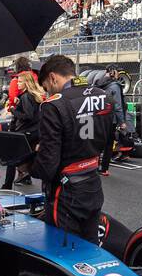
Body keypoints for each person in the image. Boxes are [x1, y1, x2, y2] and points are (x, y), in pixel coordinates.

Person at [34, 54, 111, 243]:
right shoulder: (104, 95)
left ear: (52, 78)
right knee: (91, 248)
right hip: (93, 181)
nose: (47, 93)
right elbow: (108, 138)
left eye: (46, 88)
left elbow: (48, 166)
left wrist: (31, 163)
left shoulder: (53, 105)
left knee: (62, 254)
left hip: (66, 191)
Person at [7, 69, 45, 185]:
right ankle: (27, 174)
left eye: (19, 82)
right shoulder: (31, 96)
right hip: (34, 132)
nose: (17, 84)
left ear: (26, 83)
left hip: (26, 132)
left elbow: (28, 115)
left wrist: (13, 110)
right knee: (31, 156)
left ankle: (7, 185)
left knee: (11, 159)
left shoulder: (26, 97)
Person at [99, 65, 126, 176]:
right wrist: (122, 122)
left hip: (97, 117)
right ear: (113, 72)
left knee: (96, 143)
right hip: (110, 119)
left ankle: (93, 166)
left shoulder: (97, 82)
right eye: (118, 72)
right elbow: (118, 105)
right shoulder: (115, 86)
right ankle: (104, 169)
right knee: (108, 144)